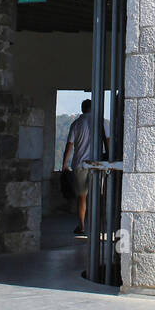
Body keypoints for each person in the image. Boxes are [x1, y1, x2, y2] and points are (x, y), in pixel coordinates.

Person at [62, 98, 108, 239]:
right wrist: (109, 157)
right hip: (97, 164)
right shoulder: (102, 122)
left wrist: (64, 164)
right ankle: (98, 226)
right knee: (98, 196)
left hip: (80, 164)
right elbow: (107, 139)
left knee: (82, 197)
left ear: (82, 109)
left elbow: (70, 145)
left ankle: (82, 226)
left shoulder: (76, 124)